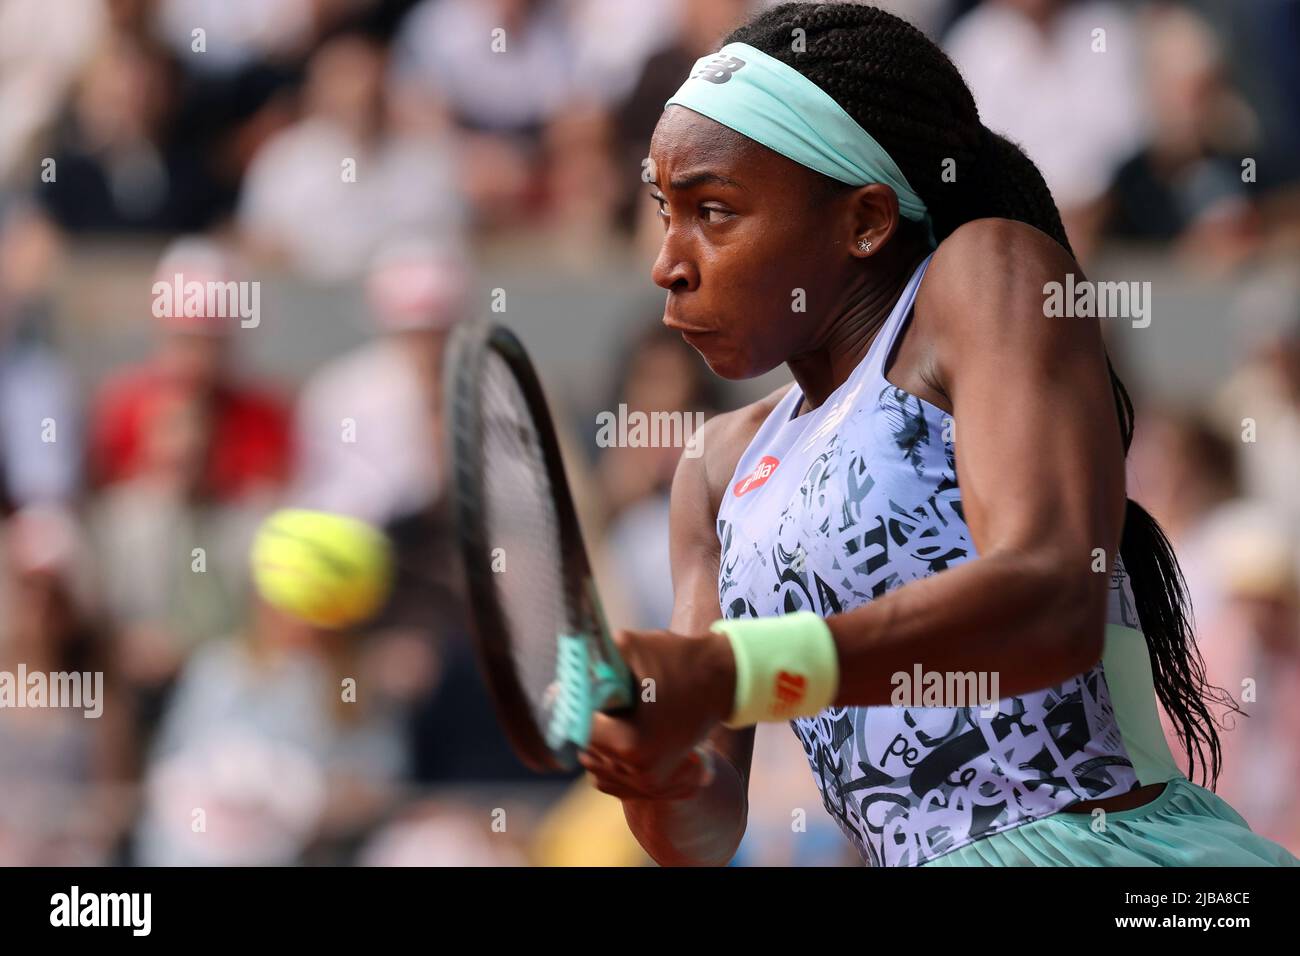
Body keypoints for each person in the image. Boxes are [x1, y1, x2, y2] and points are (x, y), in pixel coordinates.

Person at [577, 2, 1299, 867]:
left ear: (866, 221)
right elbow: (702, 833)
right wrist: (657, 772)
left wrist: (737, 668)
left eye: (716, 210)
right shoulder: (713, 471)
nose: (670, 261)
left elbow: (1051, 597)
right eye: (665, 211)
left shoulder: (990, 273)